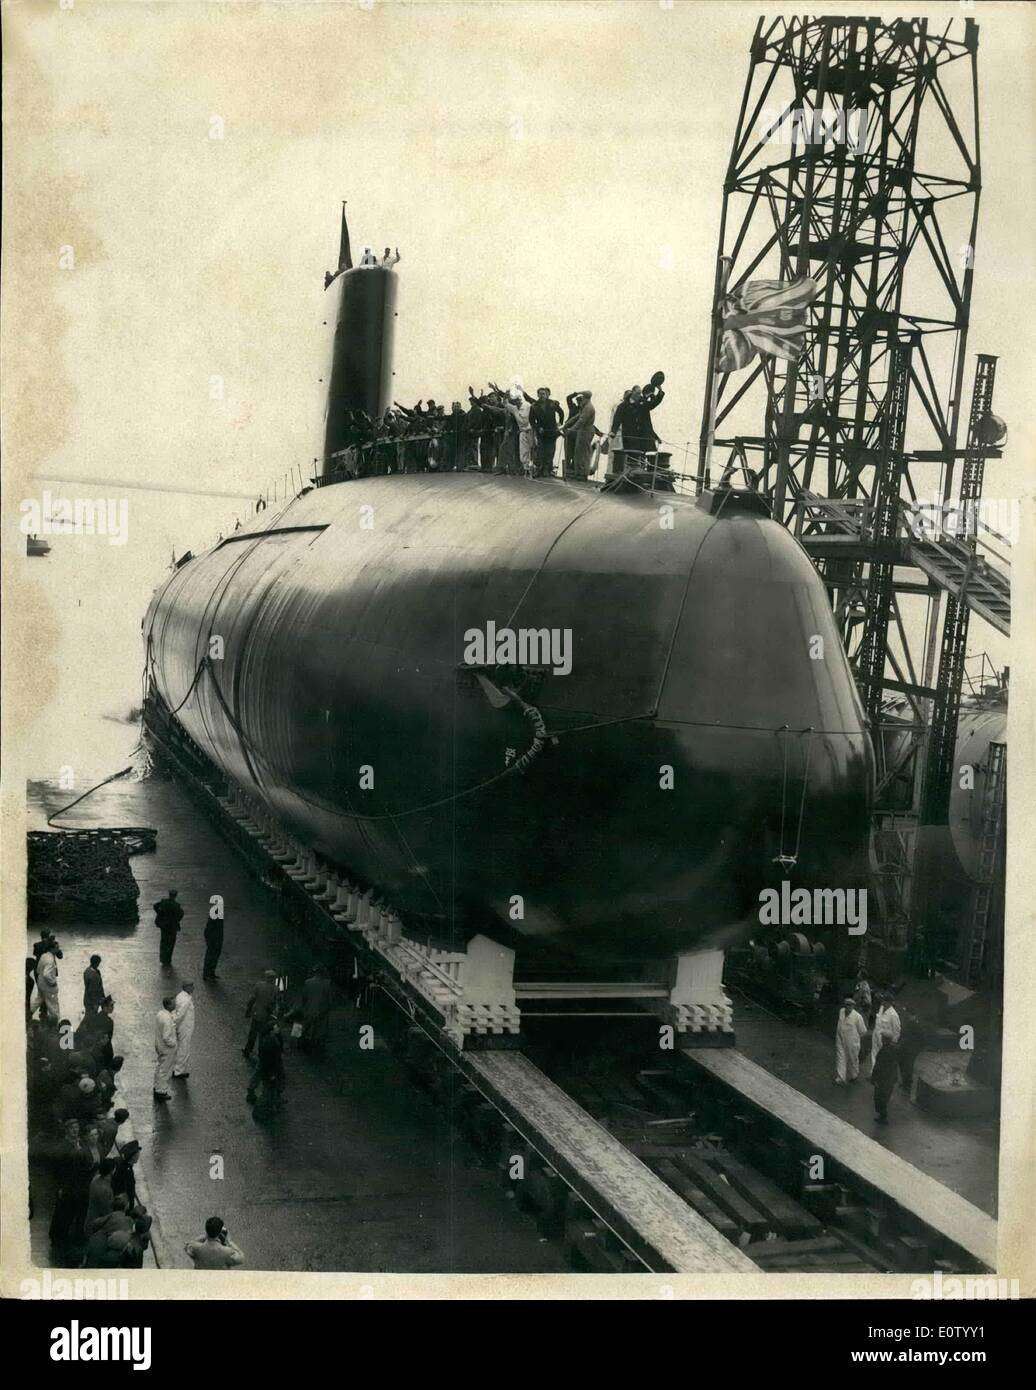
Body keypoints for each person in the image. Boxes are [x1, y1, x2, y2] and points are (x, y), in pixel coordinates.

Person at [247, 1019, 285, 1115]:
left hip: (269, 1064)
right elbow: (270, 1058)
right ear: (271, 1030)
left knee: (266, 1081)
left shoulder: (270, 1038)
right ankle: (264, 1106)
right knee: (268, 1088)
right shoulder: (270, 1042)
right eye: (276, 1027)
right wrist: (272, 1073)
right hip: (269, 1066)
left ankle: (273, 1101)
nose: (278, 1029)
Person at [243, 969, 280, 1059]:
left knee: (252, 1033)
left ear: (265, 977)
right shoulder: (276, 989)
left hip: (256, 1014)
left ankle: (248, 1050)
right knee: (263, 1035)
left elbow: (252, 999)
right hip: (266, 1016)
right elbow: (275, 1004)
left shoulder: (259, 985)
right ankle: (261, 1054)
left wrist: (248, 1010)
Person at [529, 387, 564, 477]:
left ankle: (546, 469)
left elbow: (561, 412)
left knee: (550, 451)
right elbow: (531, 420)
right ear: (537, 395)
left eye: (543, 394)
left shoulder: (552, 403)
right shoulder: (534, 406)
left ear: (546, 394)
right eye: (540, 394)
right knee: (540, 451)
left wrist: (560, 423)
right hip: (541, 432)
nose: (542, 396)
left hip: (552, 431)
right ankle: (539, 469)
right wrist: (537, 428)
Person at [834, 997, 868, 1084]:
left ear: (853, 1006)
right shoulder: (841, 1011)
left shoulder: (857, 1017)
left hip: (852, 1042)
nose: (848, 1007)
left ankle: (854, 1075)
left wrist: (855, 1039)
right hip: (840, 1037)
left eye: (850, 1005)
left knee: (852, 1059)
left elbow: (863, 1031)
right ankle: (840, 1077)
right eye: (847, 1005)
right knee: (840, 1056)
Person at [563, 392, 596, 480]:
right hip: (582, 431)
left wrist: (571, 430)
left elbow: (581, 421)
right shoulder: (584, 407)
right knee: (578, 453)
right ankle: (579, 472)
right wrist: (565, 426)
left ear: (587, 398)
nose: (581, 401)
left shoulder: (589, 408)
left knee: (583, 453)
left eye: (583, 399)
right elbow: (576, 417)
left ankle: (583, 473)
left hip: (586, 431)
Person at [300, 965, 332, 1054]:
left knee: (307, 1029)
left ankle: (306, 1046)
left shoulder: (308, 982)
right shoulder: (327, 983)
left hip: (309, 1010)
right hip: (322, 1011)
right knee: (319, 1031)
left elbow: (304, 998)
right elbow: (329, 1000)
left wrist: (304, 1008)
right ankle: (317, 1048)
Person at [870, 992, 902, 1072]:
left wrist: (893, 1042)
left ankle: (880, 1076)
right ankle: (873, 1074)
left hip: (885, 1039)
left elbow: (897, 1030)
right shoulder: (881, 1008)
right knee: (873, 1054)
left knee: (882, 1058)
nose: (882, 1001)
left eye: (884, 1000)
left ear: (889, 1002)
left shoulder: (893, 1015)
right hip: (876, 1035)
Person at [83, 1157, 116, 1235]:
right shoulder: (105, 1190)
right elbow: (106, 1210)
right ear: (111, 1171)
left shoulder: (96, 1178)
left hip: (90, 1217)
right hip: (97, 1225)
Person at [153, 998, 177, 1102]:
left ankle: (157, 1086)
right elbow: (166, 1037)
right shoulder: (167, 1019)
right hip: (167, 1048)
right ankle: (161, 1091)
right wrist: (174, 1044)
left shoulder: (160, 1014)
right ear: (169, 1005)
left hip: (159, 1045)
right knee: (165, 1069)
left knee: (160, 1066)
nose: (175, 1004)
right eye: (173, 1003)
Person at [871, 1038, 899, 1124]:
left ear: (884, 1040)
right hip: (890, 1078)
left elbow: (878, 1066)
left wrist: (874, 1078)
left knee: (879, 1097)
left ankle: (883, 1116)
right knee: (885, 1097)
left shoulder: (883, 1051)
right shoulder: (894, 1050)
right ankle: (882, 1115)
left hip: (882, 1078)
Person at [172, 981, 196, 1079]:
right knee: (184, 1049)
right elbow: (180, 1015)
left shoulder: (180, 995)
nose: (193, 988)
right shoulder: (186, 1000)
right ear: (186, 987)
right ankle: (178, 1071)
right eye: (191, 986)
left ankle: (177, 1068)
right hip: (185, 1027)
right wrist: (174, 1024)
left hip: (183, 1027)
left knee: (182, 1047)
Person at [154, 889, 184, 966]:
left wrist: (160, 914)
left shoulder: (164, 902)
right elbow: (181, 914)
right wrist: (176, 920)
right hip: (172, 927)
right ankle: (167, 959)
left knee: (163, 941)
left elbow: (155, 906)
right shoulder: (176, 905)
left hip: (163, 926)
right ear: (175, 896)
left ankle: (162, 959)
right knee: (170, 943)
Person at [110, 1140, 141, 1209]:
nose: (139, 1155)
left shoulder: (123, 1166)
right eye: (138, 1153)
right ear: (133, 1156)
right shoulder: (127, 1171)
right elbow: (129, 1189)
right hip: (122, 1203)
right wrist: (131, 1206)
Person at [35, 941, 62, 1020]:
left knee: (38, 1000)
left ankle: (28, 1014)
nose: (58, 949)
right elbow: (46, 974)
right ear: (52, 948)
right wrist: (53, 982)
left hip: (40, 983)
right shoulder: (50, 960)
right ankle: (56, 1022)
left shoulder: (43, 956)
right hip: (48, 986)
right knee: (53, 1005)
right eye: (57, 948)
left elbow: (38, 970)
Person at [203, 910, 224, 980]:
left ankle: (211, 972)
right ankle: (207, 973)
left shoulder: (218, 918)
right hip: (213, 940)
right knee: (210, 957)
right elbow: (207, 930)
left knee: (214, 957)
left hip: (217, 940)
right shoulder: (214, 918)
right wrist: (208, 940)